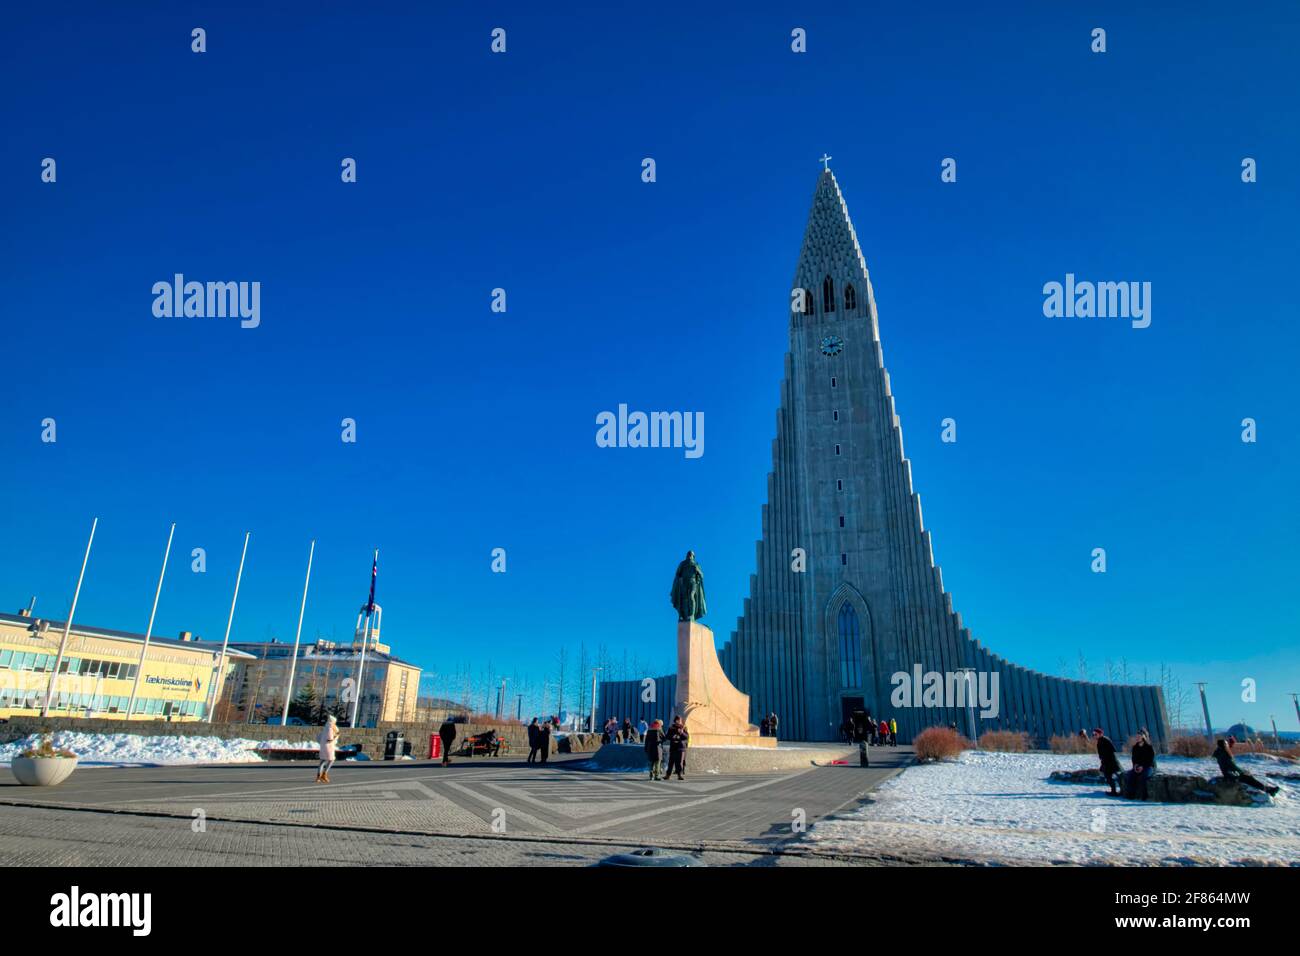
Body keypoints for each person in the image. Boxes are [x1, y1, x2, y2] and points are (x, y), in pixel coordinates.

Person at [1213, 739, 1279, 795]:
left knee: (1248, 777)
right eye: (1226, 744)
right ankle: (1267, 790)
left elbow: (1230, 766)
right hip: (1231, 775)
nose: (1228, 746)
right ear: (1224, 745)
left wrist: (1240, 771)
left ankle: (1266, 789)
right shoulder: (1224, 754)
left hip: (1230, 774)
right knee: (1249, 778)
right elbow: (1232, 766)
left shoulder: (1220, 753)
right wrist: (1241, 771)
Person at [1127, 728, 1156, 800]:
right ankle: (1131, 794)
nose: (1137, 738)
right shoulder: (1135, 747)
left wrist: (1142, 766)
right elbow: (1134, 759)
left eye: (1139, 736)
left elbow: (1151, 760)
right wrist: (1135, 766)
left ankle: (1144, 796)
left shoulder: (1149, 747)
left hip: (1149, 767)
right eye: (1136, 736)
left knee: (1144, 776)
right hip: (1138, 767)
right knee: (1130, 774)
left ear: (1143, 737)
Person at [1093, 727, 1121, 795]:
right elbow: (1101, 752)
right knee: (1108, 776)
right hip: (1106, 761)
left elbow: (1113, 750)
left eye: (1095, 734)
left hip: (1111, 761)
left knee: (1117, 775)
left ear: (1100, 734)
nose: (1094, 736)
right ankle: (1113, 791)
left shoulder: (1105, 740)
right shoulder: (1099, 741)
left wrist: (1106, 757)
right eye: (1093, 734)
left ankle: (1116, 791)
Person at [664, 715, 689, 780]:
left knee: (679, 763)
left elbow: (686, 737)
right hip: (673, 747)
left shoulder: (683, 728)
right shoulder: (671, 728)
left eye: (680, 720)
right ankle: (668, 775)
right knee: (671, 762)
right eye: (677, 720)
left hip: (680, 747)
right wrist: (672, 737)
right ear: (675, 721)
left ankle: (679, 775)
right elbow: (667, 736)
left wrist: (682, 733)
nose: (678, 722)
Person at [316, 714, 339, 783]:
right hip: (329, 746)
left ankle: (318, 776)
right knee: (331, 760)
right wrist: (335, 737)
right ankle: (324, 774)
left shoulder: (326, 726)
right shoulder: (330, 727)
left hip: (323, 746)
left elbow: (319, 737)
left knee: (323, 761)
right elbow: (330, 739)